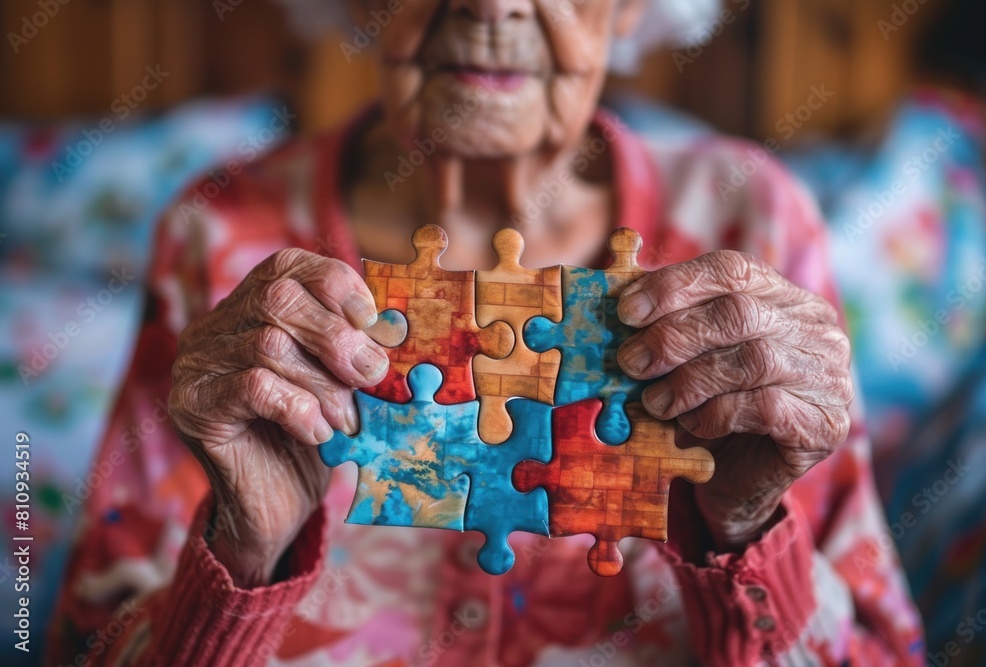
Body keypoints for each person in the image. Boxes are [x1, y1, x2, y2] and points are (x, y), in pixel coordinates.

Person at [46, 1, 924, 665]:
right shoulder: (218, 232)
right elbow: (81, 642)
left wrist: (743, 529)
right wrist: (241, 546)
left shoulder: (752, 221)